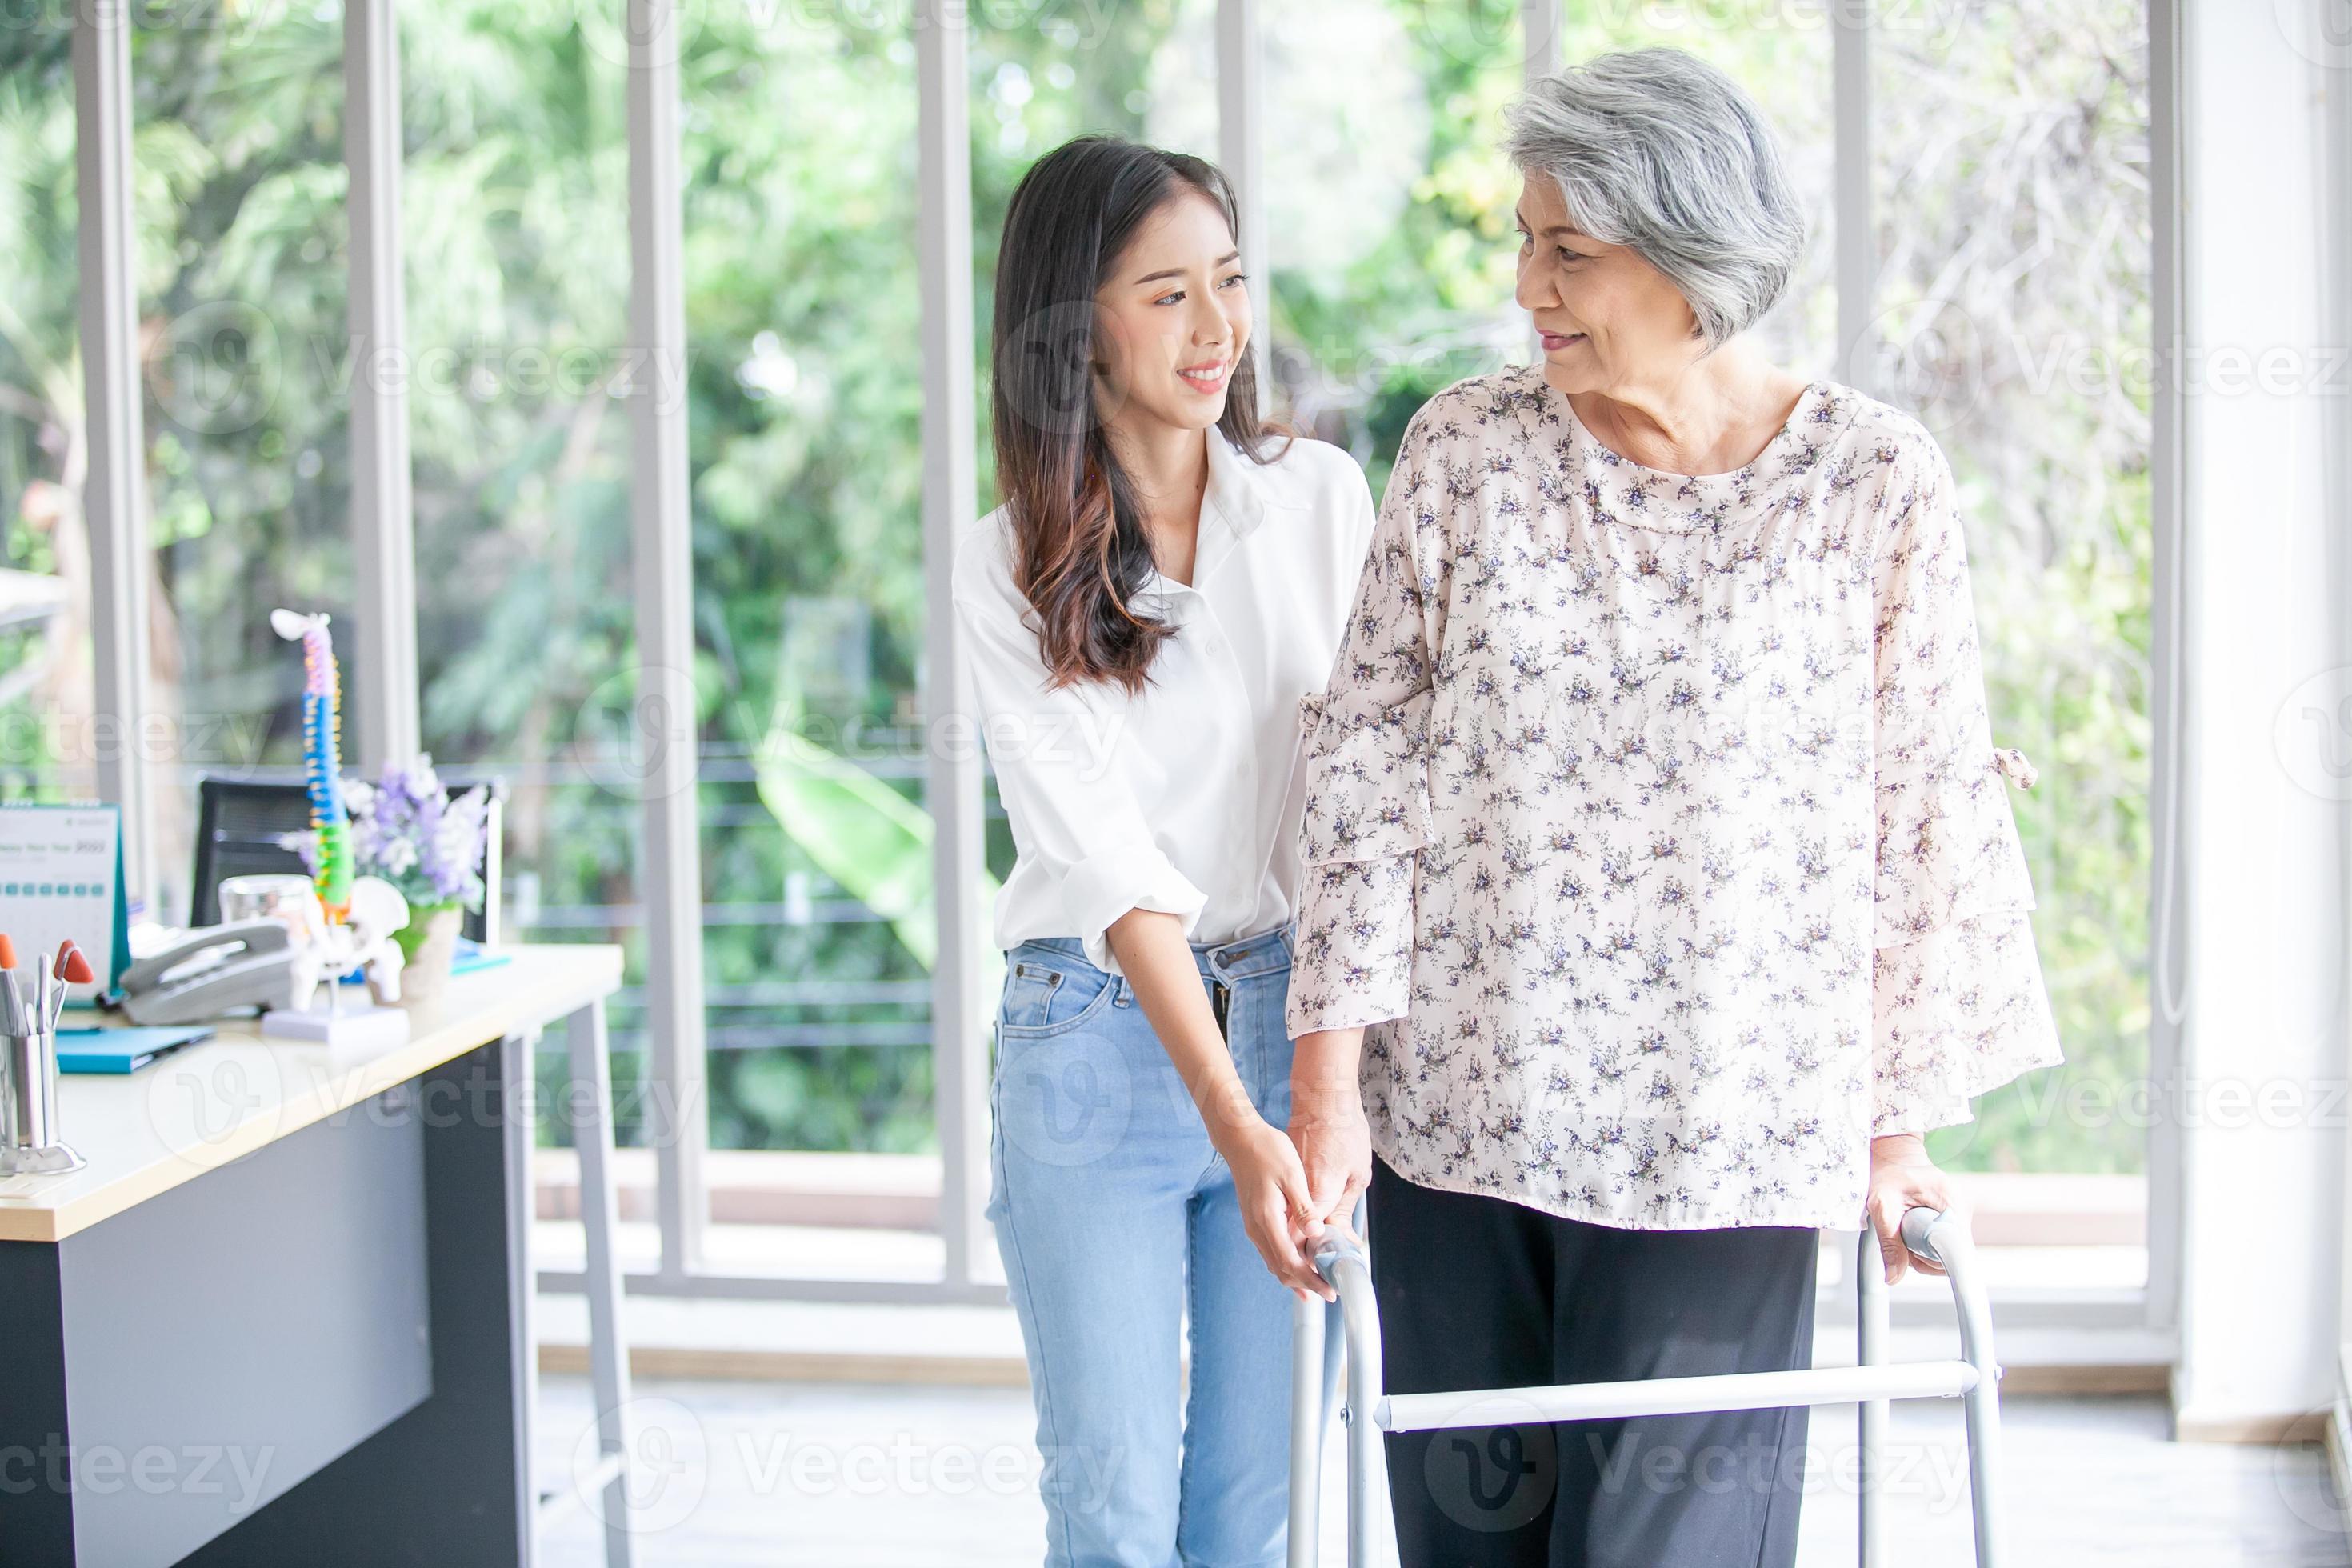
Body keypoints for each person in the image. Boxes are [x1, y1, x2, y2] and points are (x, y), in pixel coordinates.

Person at [1280, 48, 2064, 1566]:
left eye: (1569, 251)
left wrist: (1894, 1132)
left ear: (1693, 258)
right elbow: (1363, 773)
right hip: (1461, 1121)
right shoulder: (1462, 453)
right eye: (1523, 241)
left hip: (1734, 1135)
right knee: (1469, 1542)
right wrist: (1328, 1093)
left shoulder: (1873, 482)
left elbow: (1920, 817)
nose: (1529, 286)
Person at [955, 134, 1378, 1566]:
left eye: (1231, 283)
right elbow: (1111, 868)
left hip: (1284, 1021)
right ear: (1075, 331)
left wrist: (1319, 1079)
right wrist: (1227, 1109)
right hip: (1096, 1033)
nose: (1218, 332)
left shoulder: (1319, 503)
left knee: (1257, 1509)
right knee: (1118, 1506)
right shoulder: (1003, 560)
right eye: (1167, 296)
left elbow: (1366, 792)